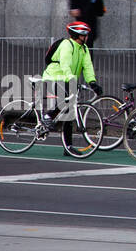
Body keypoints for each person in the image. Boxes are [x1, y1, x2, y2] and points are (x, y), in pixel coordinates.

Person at [42, 21, 102, 155]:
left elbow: (87, 67)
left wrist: (92, 82)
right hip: (54, 77)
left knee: (69, 114)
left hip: (68, 79)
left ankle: (67, 147)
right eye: (85, 34)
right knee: (65, 101)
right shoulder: (66, 45)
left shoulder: (83, 48)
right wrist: (72, 79)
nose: (87, 37)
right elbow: (65, 65)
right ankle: (48, 116)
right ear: (77, 35)